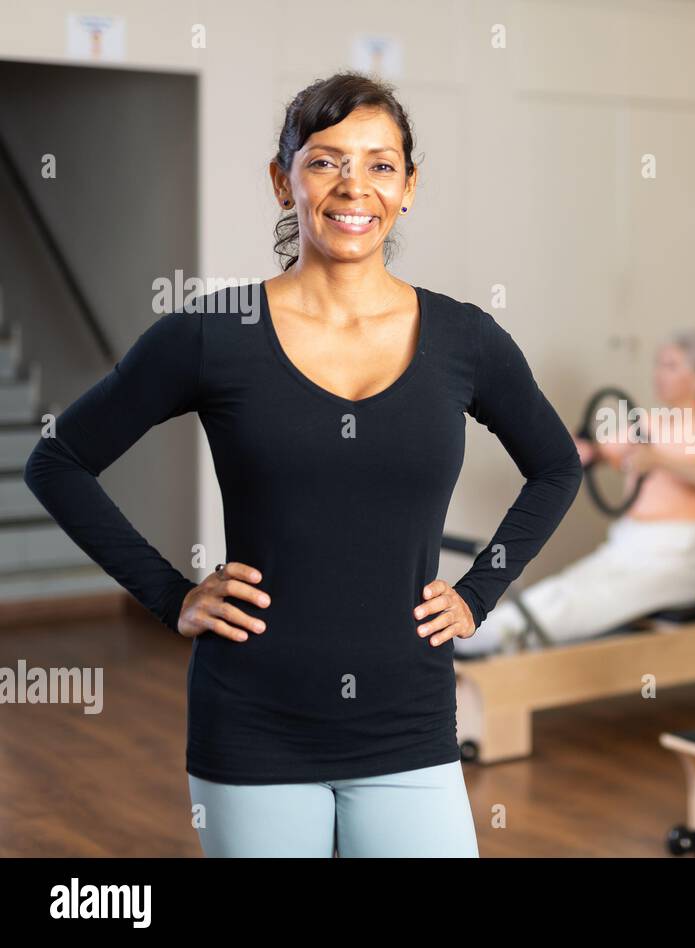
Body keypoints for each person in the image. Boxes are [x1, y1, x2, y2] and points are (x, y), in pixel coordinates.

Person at [23, 71, 583, 856]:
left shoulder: (466, 340)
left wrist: (478, 593)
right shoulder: (214, 332)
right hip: (253, 723)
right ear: (282, 179)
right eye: (324, 161)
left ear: (410, 186)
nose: (354, 186)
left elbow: (557, 465)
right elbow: (59, 461)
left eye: (381, 164)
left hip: (410, 723)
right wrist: (168, 595)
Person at [454, 329, 695, 657]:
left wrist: (660, 460)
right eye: (658, 364)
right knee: (563, 589)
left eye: (671, 366)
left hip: (681, 556)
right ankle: (477, 632)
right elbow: (593, 453)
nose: (658, 374)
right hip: (630, 545)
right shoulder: (645, 423)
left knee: (589, 602)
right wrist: (576, 450)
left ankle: (489, 638)